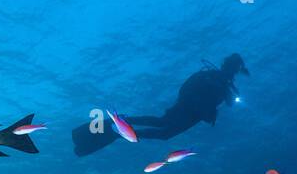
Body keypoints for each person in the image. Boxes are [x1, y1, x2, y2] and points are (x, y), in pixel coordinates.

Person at [72, 53, 249, 156]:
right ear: (233, 67)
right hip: (189, 111)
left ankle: (120, 126)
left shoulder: (219, 81)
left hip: (190, 112)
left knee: (162, 126)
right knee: (163, 127)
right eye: (236, 68)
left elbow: (221, 101)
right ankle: (119, 128)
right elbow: (195, 92)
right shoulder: (216, 79)